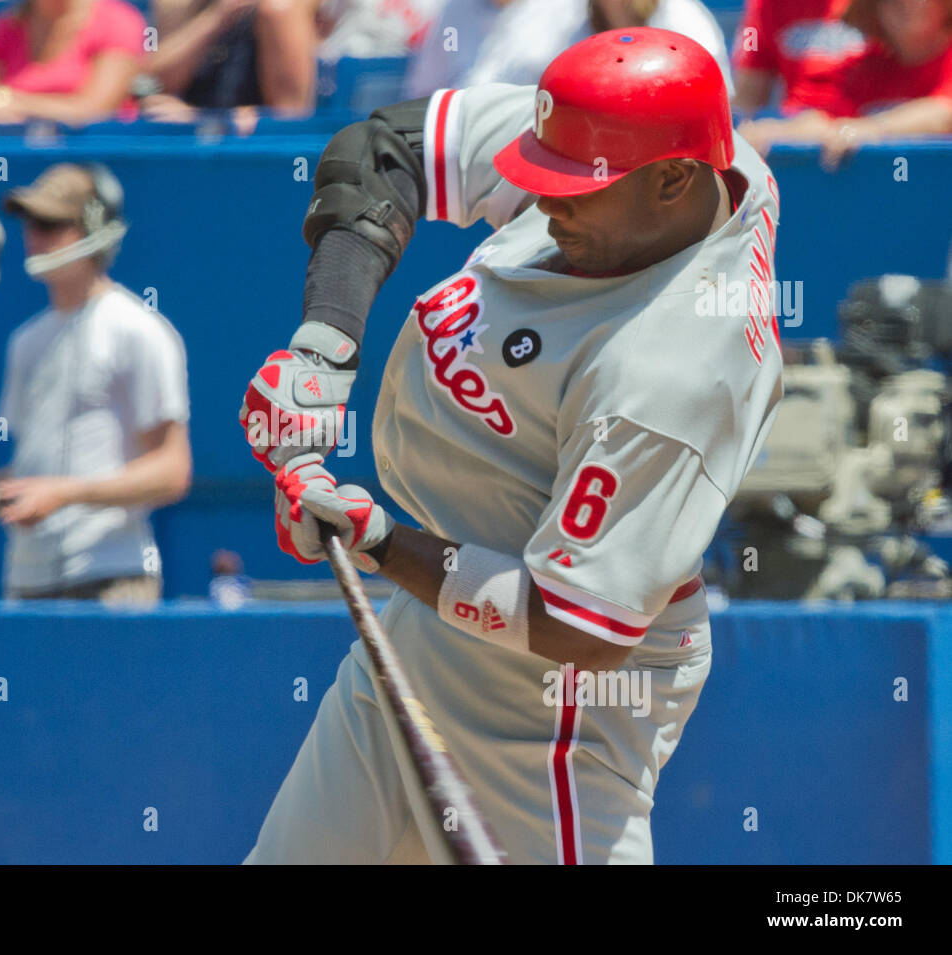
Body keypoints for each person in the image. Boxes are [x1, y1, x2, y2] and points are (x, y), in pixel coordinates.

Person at [239, 28, 784, 863]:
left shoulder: (673, 372)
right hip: (430, 630)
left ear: (676, 181)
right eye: (542, 175)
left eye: (573, 188)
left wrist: (380, 541)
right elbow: (381, 147)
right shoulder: (673, 147)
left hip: (552, 702)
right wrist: (325, 342)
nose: (545, 200)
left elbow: (582, 625)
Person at [0, 163, 190, 604]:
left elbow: (172, 471)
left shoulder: (140, 330)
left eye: (52, 223)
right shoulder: (25, 340)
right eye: (31, 223)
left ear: (95, 228)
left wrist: (66, 493)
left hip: (112, 577)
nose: (35, 237)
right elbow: (33, 472)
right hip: (25, 583)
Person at [739, 0, 952, 168]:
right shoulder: (867, 68)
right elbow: (828, 120)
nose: (906, 3)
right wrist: (776, 132)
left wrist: (871, 128)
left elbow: (944, 114)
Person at [406, 0, 731, 98]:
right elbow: (476, 97)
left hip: (660, 192)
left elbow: (719, 117)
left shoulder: (688, 22)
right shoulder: (547, 12)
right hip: (543, 186)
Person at [0, 0, 145, 125]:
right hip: (16, 167)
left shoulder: (119, 21)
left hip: (95, 170)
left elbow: (96, 111)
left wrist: (7, 101)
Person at [134, 0, 316, 128]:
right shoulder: (193, 7)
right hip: (199, 155)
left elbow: (289, 117)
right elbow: (151, 81)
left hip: (248, 165)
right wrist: (216, 19)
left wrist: (201, 120)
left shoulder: (278, 10)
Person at [729, 0, 865, 119]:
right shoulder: (762, 6)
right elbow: (747, 99)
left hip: (868, 132)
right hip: (794, 132)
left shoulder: (877, 4)